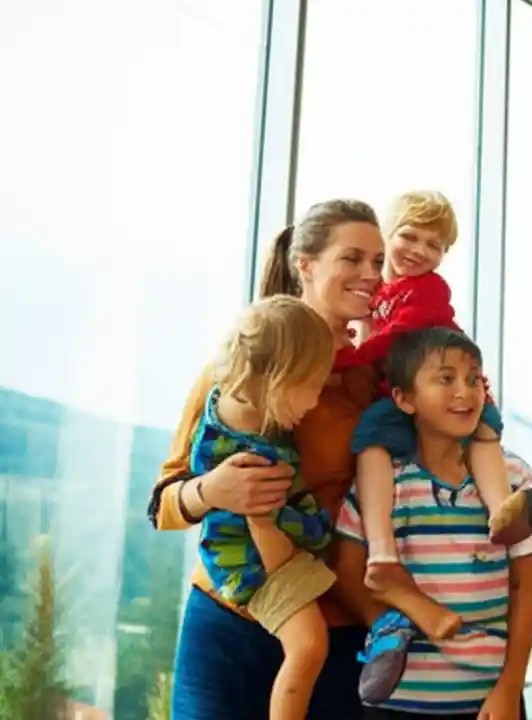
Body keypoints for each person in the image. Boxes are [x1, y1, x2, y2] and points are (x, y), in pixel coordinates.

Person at [148, 199, 391, 719]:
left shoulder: (375, 379)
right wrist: (209, 491)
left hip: (334, 631)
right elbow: (163, 504)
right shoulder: (235, 365)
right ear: (305, 264)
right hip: (227, 622)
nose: (370, 274)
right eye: (352, 258)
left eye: (378, 261)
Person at [339, 190, 532, 596]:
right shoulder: (381, 294)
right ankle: (382, 550)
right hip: (413, 394)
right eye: (409, 236)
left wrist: (346, 360)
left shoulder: (427, 289)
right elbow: (375, 337)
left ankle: (499, 511)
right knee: (372, 440)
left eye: (433, 245)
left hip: (455, 390)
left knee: (483, 436)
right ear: (388, 234)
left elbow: (392, 340)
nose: (419, 251)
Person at [331, 327, 532, 720]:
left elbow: (525, 584)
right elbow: (346, 574)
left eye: (474, 379)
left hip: (490, 702)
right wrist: (390, 622)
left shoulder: (511, 478)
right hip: (397, 703)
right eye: (446, 379)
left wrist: (511, 685)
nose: (465, 391)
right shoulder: (382, 483)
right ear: (404, 399)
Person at [191, 295, 337, 720]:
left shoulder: (236, 405)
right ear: (278, 379)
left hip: (259, 543)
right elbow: (261, 520)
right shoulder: (252, 458)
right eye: (311, 388)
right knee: (308, 645)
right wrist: (300, 556)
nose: (313, 404)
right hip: (253, 559)